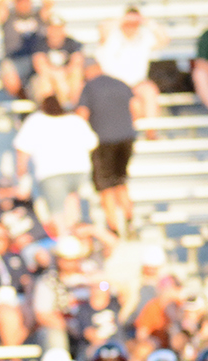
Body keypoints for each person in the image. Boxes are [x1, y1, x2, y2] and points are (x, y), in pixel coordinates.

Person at [14, 96, 98, 235]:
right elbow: (92, 144)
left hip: (50, 173)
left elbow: (22, 151)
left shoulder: (35, 121)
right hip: (79, 169)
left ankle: (65, 241)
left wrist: (22, 176)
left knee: (57, 213)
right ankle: (75, 240)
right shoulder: (75, 120)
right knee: (73, 209)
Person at [76, 59, 137, 238]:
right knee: (121, 182)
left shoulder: (89, 87)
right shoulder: (120, 83)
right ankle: (130, 220)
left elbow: (81, 114)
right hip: (126, 139)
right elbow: (136, 108)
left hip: (103, 141)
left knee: (106, 187)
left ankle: (113, 227)